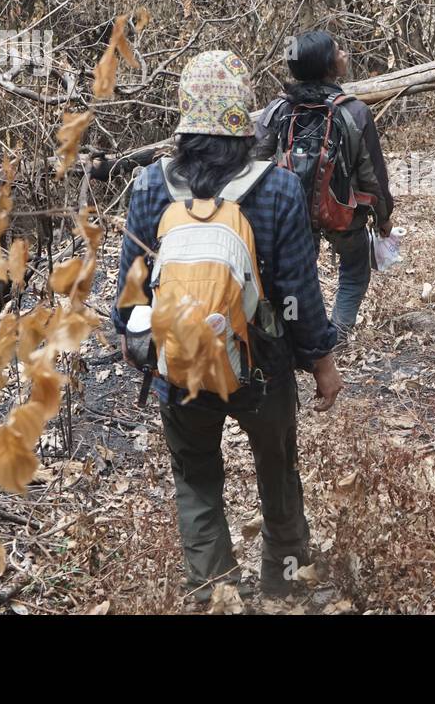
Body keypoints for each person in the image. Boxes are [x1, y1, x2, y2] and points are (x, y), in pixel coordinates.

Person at [111, 49, 343, 604]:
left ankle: (216, 595)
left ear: (185, 115)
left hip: (182, 371)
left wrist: (144, 345)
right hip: (264, 371)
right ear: (243, 115)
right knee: (279, 477)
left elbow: (129, 299)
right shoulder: (278, 188)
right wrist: (322, 361)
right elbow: (296, 294)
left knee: (196, 484)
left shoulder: (149, 185)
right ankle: (284, 593)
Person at [255, 31, 394, 344]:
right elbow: (372, 174)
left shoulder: (278, 110)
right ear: (328, 65)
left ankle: (300, 335)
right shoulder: (354, 111)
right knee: (355, 269)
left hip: (291, 216)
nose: (345, 53)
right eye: (338, 50)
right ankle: (338, 333)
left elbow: (254, 159)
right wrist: (384, 216)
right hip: (344, 213)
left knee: (298, 276)